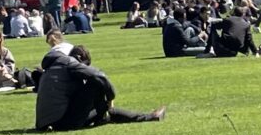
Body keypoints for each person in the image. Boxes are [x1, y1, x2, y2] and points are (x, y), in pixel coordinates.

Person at [35, 45, 165, 130]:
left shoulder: (53, 66)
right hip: (62, 122)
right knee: (95, 83)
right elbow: (99, 76)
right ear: (79, 58)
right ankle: (107, 115)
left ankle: (148, 117)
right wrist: (110, 97)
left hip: (46, 123)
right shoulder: (69, 63)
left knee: (105, 110)